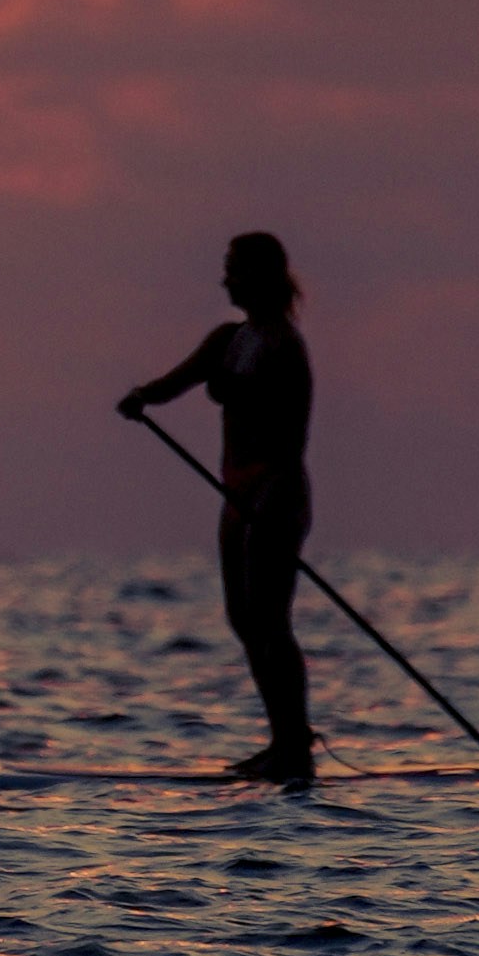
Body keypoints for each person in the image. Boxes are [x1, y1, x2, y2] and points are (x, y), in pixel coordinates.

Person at [119, 231, 315, 785]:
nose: (224, 280)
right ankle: (281, 743)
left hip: (277, 492)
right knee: (244, 621)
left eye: (234, 269)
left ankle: (296, 749)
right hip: (238, 495)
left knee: (272, 623)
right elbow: (180, 380)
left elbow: (288, 431)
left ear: (261, 276)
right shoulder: (228, 339)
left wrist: (237, 394)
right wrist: (142, 399)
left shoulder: (283, 345)